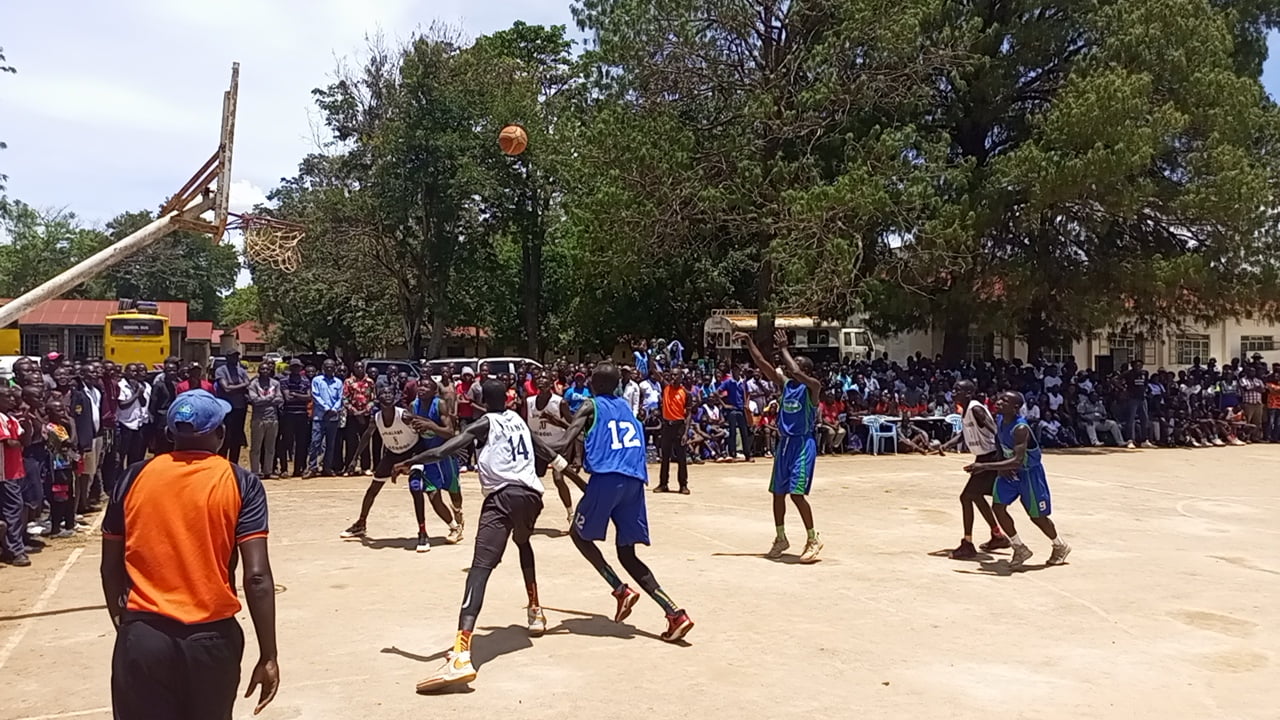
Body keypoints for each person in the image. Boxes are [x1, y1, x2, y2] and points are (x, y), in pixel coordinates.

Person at [101, 389, 278, 719]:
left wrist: (125, 626)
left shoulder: (132, 477)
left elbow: (110, 568)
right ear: (221, 433)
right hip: (211, 638)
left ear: (170, 434)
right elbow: (256, 577)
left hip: (144, 635)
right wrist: (269, 655)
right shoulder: (241, 482)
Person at [396, 379, 558, 692]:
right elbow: (548, 451)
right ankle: (535, 610)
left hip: (502, 497)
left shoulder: (486, 423)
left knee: (479, 570)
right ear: (509, 400)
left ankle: (461, 653)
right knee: (523, 543)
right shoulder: (520, 422)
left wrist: (410, 462)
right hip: (532, 497)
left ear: (483, 400)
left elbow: (446, 449)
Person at [556, 363, 695, 643]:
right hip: (634, 482)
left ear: (593, 384)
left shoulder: (589, 405)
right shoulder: (625, 409)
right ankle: (674, 612)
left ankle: (620, 590)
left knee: (577, 534)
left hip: (608, 478)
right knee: (627, 553)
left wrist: (547, 447)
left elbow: (566, 441)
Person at [340, 386, 462, 551]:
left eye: (390, 393)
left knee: (416, 488)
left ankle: (423, 533)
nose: (387, 395)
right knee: (372, 490)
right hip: (393, 454)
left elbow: (424, 423)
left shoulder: (404, 415)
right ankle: (361, 523)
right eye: (383, 393)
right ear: (377, 397)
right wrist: (355, 458)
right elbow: (367, 436)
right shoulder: (376, 418)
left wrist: (445, 441)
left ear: (396, 397)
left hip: (413, 452)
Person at [737, 330, 822, 562]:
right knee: (777, 494)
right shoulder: (787, 386)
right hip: (784, 445)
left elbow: (793, 370)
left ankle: (813, 538)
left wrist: (784, 348)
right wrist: (749, 342)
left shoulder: (812, 387)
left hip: (803, 444)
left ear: (806, 371)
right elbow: (762, 364)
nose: (789, 368)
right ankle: (781, 537)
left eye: (798, 364)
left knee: (796, 495)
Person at [964, 391, 1071, 568]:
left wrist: (984, 467)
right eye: (998, 399)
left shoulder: (1020, 428)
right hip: (1009, 473)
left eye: (1004, 401)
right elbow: (998, 442)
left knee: (1037, 517)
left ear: (1015, 408)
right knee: (998, 507)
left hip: (1029, 474)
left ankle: (1060, 545)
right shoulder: (999, 419)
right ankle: (1019, 547)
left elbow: (1018, 460)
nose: (998, 402)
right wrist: (1000, 466)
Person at [938, 380, 1010, 559]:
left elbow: (994, 430)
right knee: (975, 496)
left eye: (958, 390)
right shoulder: (965, 410)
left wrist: (1000, 459)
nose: (953, 393)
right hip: (983, 457)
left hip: (991, 457)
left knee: (966, 497)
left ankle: (968, 543)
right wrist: (946, 444)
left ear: (969, 394)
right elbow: (965, 434)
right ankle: (997, 535)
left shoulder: (976, 409)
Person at [526, 372, 576, 525]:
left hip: (557, 446)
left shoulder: (559, 403)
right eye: (539, 378)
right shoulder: (528, 402)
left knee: (558, 478)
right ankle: (527, 515)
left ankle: (570, 513)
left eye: (545, 379)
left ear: (551, 383)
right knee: (530, 482)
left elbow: (574, 426)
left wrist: (556, 422)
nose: (541, 381)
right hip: (538, 446)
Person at [1, 387, 31, 566]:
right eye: (7, 397)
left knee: (14, 509)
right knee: (13, 509)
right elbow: (11, 442)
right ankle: (15, 550)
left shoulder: (11, 419)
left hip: (14, 471)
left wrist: (26, 421)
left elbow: (24, 440)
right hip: (4, 472)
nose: (12, 400)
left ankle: (10, 547)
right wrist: (17, 441)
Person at [656, 369, 692, 493]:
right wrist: (648, 354)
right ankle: (663, 484)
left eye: (676, 375)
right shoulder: (666, 388)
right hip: (667, 426)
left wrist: (686, 433)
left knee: (681, 457)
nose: (673, 377)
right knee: (665, 457)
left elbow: (688, 415)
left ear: (681, 377)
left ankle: (683, 485)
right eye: (671, 374)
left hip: (679, 427)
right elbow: (655, 372)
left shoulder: (686, 393)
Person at [214, 350, 251, 463]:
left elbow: (247, 384)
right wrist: (242, 386)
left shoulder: (241, 371)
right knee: (226, 437)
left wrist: (233, 387)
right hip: (226, 409)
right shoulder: (221, 371)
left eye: (236, 357)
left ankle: (234, 464)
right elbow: (226, 388)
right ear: (227, 358)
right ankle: (222, 462)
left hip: (240, 408)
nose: (234, 359)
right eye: (232, 357)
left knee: (237, 437)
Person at [308, 358, 343, 477]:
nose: (329, 368)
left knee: (330, 444)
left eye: (332, 366)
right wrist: (327, 408)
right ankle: (312, 468)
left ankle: (327, 468)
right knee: (315, 443)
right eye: (327, 366)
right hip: (319, 417)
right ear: (323, 367)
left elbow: (340, 398)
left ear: (335, 368)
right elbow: (315, 395)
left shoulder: (338, 382)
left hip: (333, 417)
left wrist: (334, 409)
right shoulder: (317, 380)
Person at [248, 363, 283, 478]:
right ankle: (255, 471)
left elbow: (280, 399)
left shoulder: (275, 383)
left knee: (270, 447)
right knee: (256, 448)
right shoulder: (253, 384)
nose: (265, 371)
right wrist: (270, 399)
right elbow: (254, 400)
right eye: (262, 369)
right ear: (259, 370)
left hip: (273, 419)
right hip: (258, 419)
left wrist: (263, 400)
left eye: (267, 369)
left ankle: (268, 471)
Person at [342, 361, 375, 476]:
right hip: (352, 416)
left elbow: (372, 399)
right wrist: (354, 411)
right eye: (357, 367)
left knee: (365, 441)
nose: (360, 369)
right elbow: (345, 399)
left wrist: (364, 411)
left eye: (361, 367)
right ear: (353, 368)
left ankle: (365, 467)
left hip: (365, 416)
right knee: (351, 442)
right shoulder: (348, 382)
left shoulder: (370, 382)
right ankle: (349, 467)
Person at [280, 360, 311, 477]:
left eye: (298, 367)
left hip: (302, 415)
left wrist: (296, 395)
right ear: (290, 367)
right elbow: (287, 398)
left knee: (301, 443)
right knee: (287, 442)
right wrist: (301, 397)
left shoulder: (305, 380)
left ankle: (298, 469)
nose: (296, 369)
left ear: (301, 367)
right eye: (293, 367)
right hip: (288, 415)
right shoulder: (284, 381)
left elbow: (309, 397)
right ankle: (284, 469)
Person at [115, 363, 149, 469]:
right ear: (126, 372)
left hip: (137, 424)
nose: (134, 373)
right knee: (121, 454)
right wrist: (136, 395)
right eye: (132, 371)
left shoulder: (138, 385)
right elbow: (122, 405)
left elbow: (143, 403)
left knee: (135, 455)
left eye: (135, 371)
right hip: (125, 424)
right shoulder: (121, 385)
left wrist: (140, 393)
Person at [718, 368, 752, 462]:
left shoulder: (743, 383)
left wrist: (747, 404)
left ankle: (747, 454)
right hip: (732, 410)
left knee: (744, 432)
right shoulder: (728, 382)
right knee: (732, 432)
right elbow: (717, 392)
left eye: (737, 371)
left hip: (741, 410)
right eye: (734, 371)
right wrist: (724, 405)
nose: (736, 372)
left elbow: (748, 394)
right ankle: (732, 454)